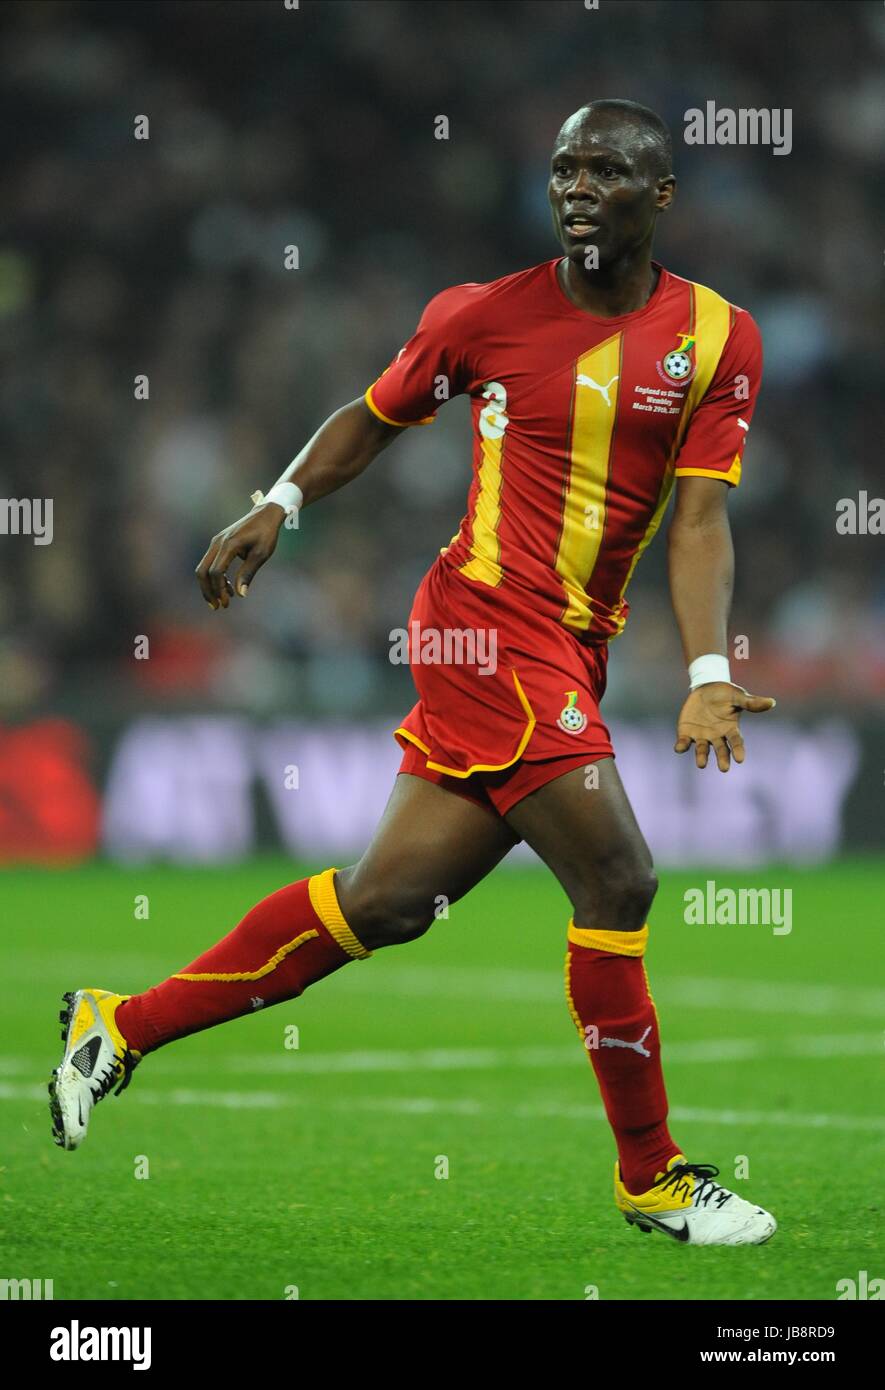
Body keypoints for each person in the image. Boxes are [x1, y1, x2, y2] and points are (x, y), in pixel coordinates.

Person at [50, 100, 777, 1246]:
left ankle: (119, 1025)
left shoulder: (720, 337)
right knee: (622, 879)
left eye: (606, 171)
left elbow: (698, 522)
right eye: (564, 170)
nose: (578, 187)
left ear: (662, 196)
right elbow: (375, 415)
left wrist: (704, 665)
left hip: (569, 638)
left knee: (384, 903)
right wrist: (277, 503)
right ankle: (655, 1177)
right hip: (486, 625)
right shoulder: (483, 315)